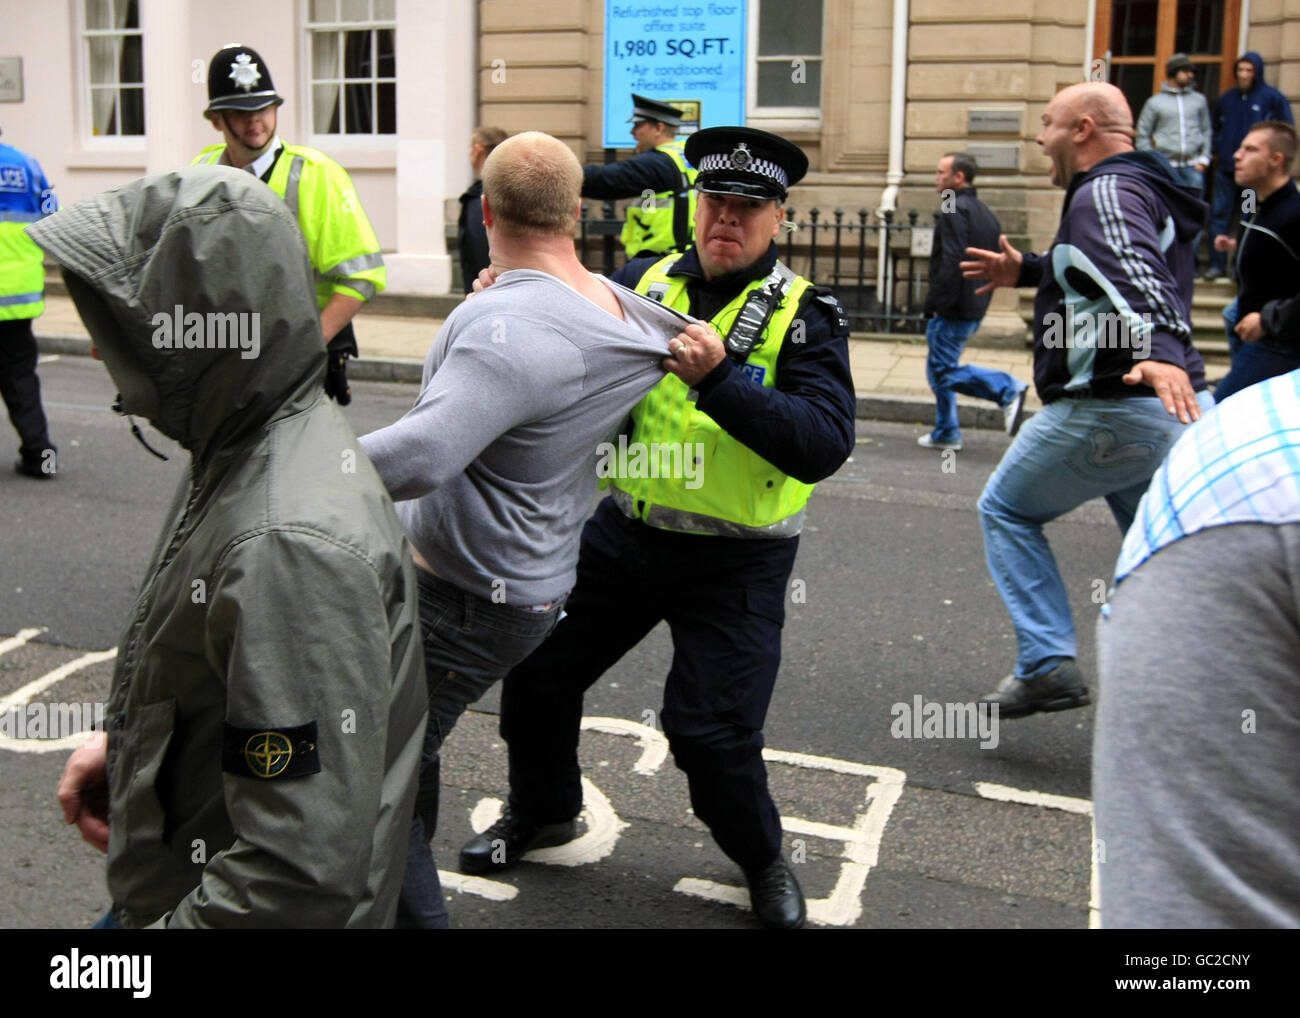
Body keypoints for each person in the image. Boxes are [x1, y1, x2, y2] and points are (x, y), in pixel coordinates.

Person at [459, 126, 857, 930]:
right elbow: (555, 339)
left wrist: (722, 381)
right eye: (715, 201)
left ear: (779, 218)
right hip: (628, 536)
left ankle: (763, 859)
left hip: (738, 561)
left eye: (749, 208)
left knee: (708, 733)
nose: (727, 220)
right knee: (537, 671)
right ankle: (546, 809)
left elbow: (821, 445)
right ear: (695, 204)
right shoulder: (641, 280)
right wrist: (495, 305)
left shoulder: (805, 315)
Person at [38, 167, 426, 928]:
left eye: (115, 326)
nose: (94, 353)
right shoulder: (251, 437)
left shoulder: (288, 541)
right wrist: (125, 752)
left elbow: (295, 877)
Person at [357, 131, 681, 928]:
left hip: (461, 598)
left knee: (373, 774)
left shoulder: (519, 333)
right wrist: (501, 297)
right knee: (408, 748)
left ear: (488, 208)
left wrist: (279, 466)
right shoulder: (615, 308)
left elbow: (422, 455)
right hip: (525, 586)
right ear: (575, 212)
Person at [960, 82, 1211, 719]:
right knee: (1153, 552)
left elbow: (1132, 270)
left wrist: (1158, 349)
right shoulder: (1141, 187)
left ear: (1084, 128)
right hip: (1165, 413)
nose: (1039, 138)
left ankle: (1047, 664)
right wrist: (1033, 271)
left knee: (1007, 510)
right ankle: (1194, 680)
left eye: (1047, 124)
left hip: (1112, 401)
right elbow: (1101, 268)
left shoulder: (1103, 190)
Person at [1095, 367, 1300, 928]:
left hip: (1131, 414)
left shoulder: (1249, 444)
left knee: (1006, 509)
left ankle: (1044, 659)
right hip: (1169, 425)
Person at [193, 43, 386, 406]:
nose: (255, 119)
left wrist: (306, 348)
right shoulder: (200, 172)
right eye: (240, 111)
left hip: (297, 369)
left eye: (264, 107)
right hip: (227, 359)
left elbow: (362, 275)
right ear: (217, 119)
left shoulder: (316, 174)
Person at [917, 151, 1027, 452]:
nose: (937, 178)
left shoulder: (953, 206)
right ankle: (946, 431)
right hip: (974, 303)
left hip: (955, 305)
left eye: (941, 172)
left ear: (958, 178)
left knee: (942, 371)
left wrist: (937, 302)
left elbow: (953, 259)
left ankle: (1007, 389)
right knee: (940, 367)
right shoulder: (982, 211)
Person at [1210, 121, 1300, 402]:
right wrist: (1235, 243)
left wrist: (1267, 319)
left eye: (1250, 149)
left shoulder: (1294, 214)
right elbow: (1254, 228)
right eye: (1240, 147)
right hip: (1244, 325)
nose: (1237, 155)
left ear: (1276, 160)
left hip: (1276, 340)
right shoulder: (1252, 197)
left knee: (1220, 409)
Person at [1206, 52, 1294, 281]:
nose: (1244, 75)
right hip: (1227, 170)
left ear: (1257, 73)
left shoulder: (1270, 98)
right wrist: (1219, 147)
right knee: (1219, 214)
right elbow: (1214, 128)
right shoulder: (1227, 99)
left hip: (1253, 177)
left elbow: (1285, 130)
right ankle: (1215, 264)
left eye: (1249, 70)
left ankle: (1239, 266)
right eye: (1240, 70)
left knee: (1248, 214)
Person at [0, 131, 57, 478]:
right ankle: (41, 457)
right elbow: (53, 213)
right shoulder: (28, 165)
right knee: (21, 378)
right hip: (19, 297)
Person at [582, 93, 697, 260]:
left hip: (657, 262)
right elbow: (653, 201)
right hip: (683, 256)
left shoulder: (657, 163)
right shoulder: (685, 157)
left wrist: (557, 174)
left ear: (658, 128)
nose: (632, 132)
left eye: (638, 125)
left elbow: (603, 180)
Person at [1135, 53, 1211, 263]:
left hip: (1192, 168)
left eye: (1192, 72)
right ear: (1173, 72)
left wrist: (1204, 159)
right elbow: (1142, 135)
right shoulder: (1155, 103)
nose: (1190, 75)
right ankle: (1167, 260)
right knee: (1166, 216)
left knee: (1194, 215)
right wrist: (1153, 163)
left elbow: (1206, 130)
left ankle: (1190, 262)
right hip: (1166, 168)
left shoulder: (1199, 100)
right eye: (1186, 71)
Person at [456, 126, 506, 294]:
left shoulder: (480, 198)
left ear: (478, 149)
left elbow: (480, 254)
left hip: (484, 292)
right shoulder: (508, 190)